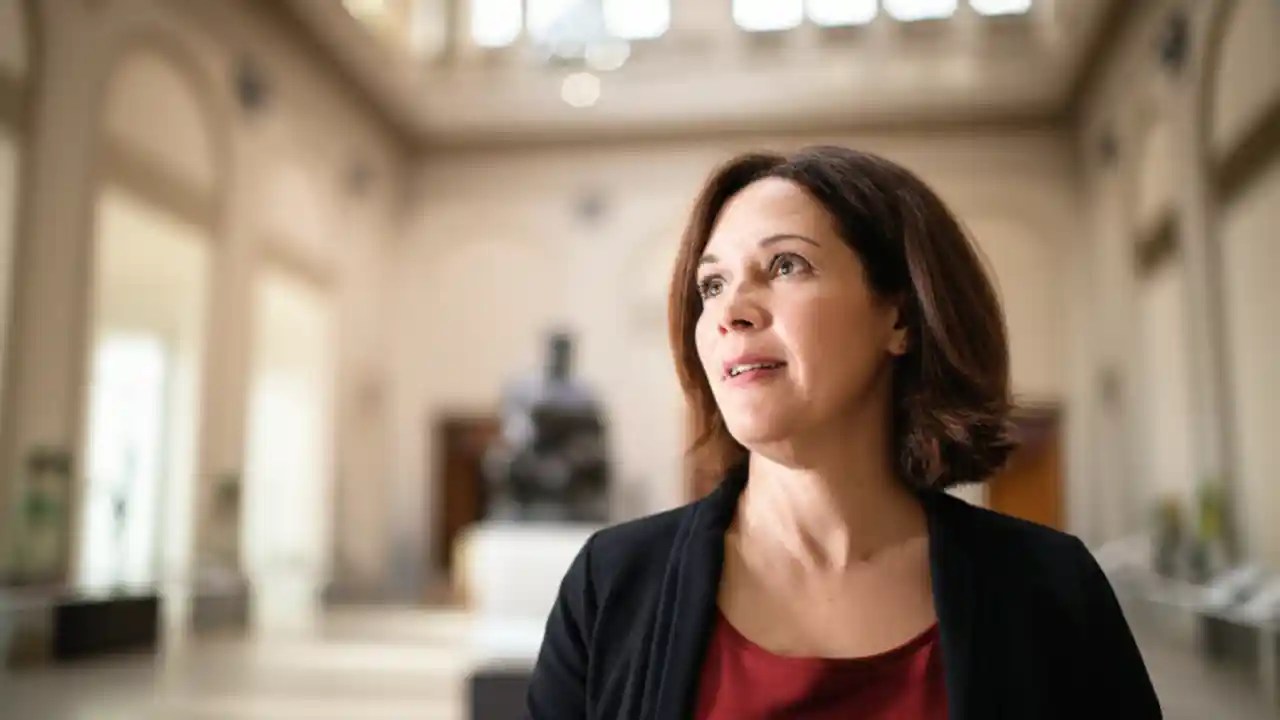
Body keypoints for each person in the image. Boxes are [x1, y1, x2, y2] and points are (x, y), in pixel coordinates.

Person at [523, 146, 1161, 719]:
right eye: (711, 284)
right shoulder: (611, 585)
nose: (729, 311)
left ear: (901, 316)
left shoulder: (1049, 588)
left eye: (785, 265)